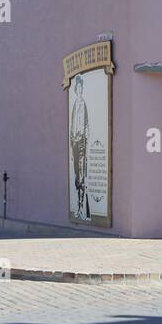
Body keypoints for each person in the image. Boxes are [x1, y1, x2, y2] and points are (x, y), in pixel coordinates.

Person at [70, 76, 89, 219]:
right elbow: (71, 127)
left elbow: (87, 126)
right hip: (75, 144)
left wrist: (85, 142)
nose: (79, 90)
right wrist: (72, 146)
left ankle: (82, 207)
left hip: (82, 144)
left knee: (82, 176)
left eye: (80, 88)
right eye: (77, 88)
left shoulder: (84, 105)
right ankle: (78, 206)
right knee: (76, 175)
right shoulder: (75, 105)